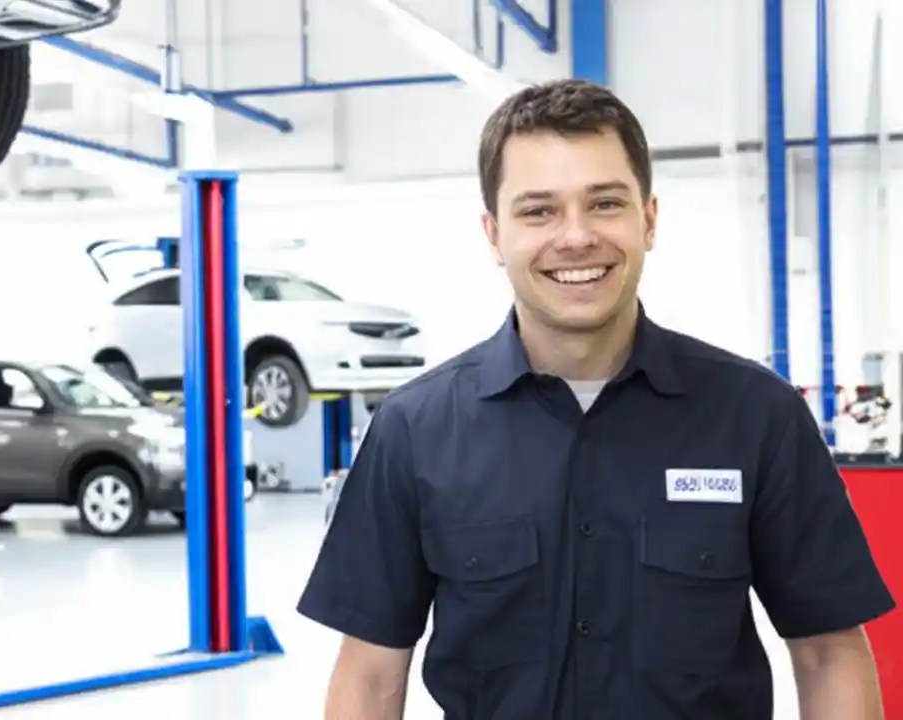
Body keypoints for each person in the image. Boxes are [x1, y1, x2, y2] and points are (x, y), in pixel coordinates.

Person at [296, 78, 894, 719]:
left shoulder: (757, 415)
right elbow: (370, 674)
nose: (576, 237)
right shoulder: (414, 430)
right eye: (539, 210)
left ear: (650, 219)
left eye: (605, 203)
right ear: (494, 235)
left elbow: (829, 652)